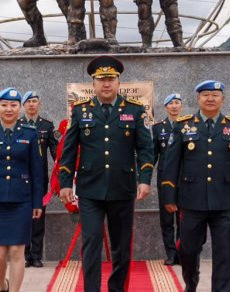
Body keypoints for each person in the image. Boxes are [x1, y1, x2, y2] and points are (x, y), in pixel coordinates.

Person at [58, 56, 155, 292]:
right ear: (93, 84)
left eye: (111, 79)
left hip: (123, 188)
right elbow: (68, 151)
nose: (106, 84)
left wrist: (144, 180)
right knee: (91, 242)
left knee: (121, 245)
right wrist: (65, 183)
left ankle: (117, 289)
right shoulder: (80, 111)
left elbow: (145, 149)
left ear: (118, 82)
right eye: (101, 80)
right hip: (90, 189)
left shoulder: (134, 110)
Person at [158, 80, 230, 292]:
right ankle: (191, 284)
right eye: (206, 94)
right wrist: (169, 197)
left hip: (224, 201)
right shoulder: (184, 126)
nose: (210, 98)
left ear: (223, 99)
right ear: (198, 98)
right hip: (191, 202)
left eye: (215, 95)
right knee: (188, 251)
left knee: (223, 254)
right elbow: (171, 165)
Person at [0, 88, 45, 292]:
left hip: (21, 201)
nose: (9, 109)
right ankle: (2, 285)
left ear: (19, 108)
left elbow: (36, 171)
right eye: (4, 105)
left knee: (17, 251)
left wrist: (37, 202)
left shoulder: (30, 134)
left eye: (13, 105)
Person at [19, 90, 60, 268]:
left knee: (38, 218)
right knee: (23, 218)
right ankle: (25, 255)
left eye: (34, 101)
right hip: (20, 179)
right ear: (23, 105)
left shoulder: (47, 125)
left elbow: (55, 152)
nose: (31, 104)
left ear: (39, 104)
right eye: (28, 102)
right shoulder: (17, 124)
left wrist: (62, 170)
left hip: (39, 180)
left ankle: (36, 256)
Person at [151, 92, 184, 265]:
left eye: (177, 103)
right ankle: (171, 254)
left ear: (181, 106)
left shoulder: (189, 126)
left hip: (185, 180)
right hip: (165, 181)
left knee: (183, 219)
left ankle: (181, 253)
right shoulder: (158, 128)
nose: (174, 106)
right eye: (171, 103)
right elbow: (152, 156)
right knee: (167, 219)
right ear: (166, 107)